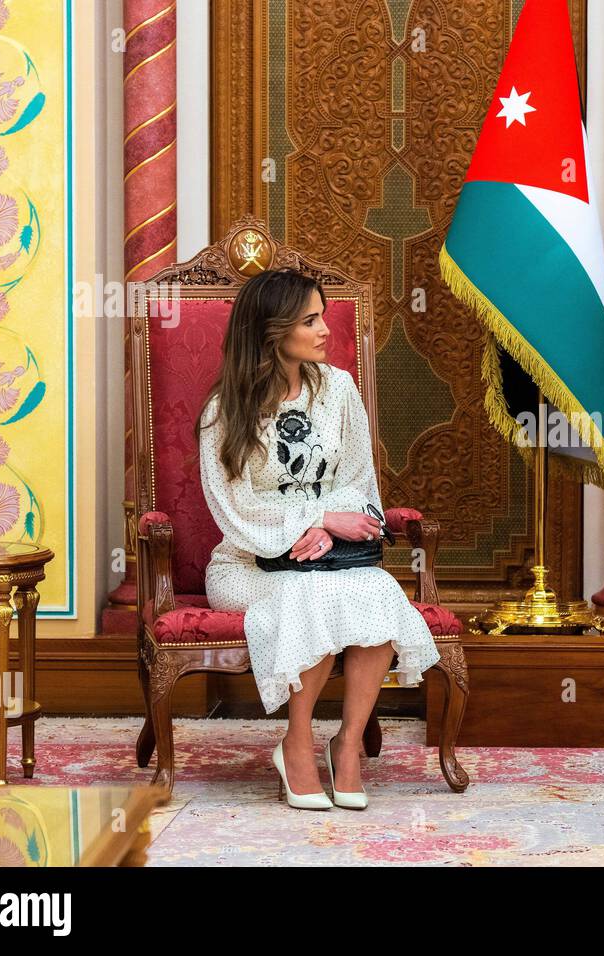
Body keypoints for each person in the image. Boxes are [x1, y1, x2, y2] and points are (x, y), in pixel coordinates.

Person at [196, 268, 440, 810]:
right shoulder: (223, 411)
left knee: (377, 592)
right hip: (248, 565)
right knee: (307, 596)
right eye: (310, 320)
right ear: (271, 330)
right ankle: (296, 742)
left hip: (330, 560)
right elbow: (234, 509)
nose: (325, 330)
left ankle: (347, 743)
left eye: (323, 316)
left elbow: (358, 479)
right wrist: (317, 518)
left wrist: (331, 526)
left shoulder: (340, 389)